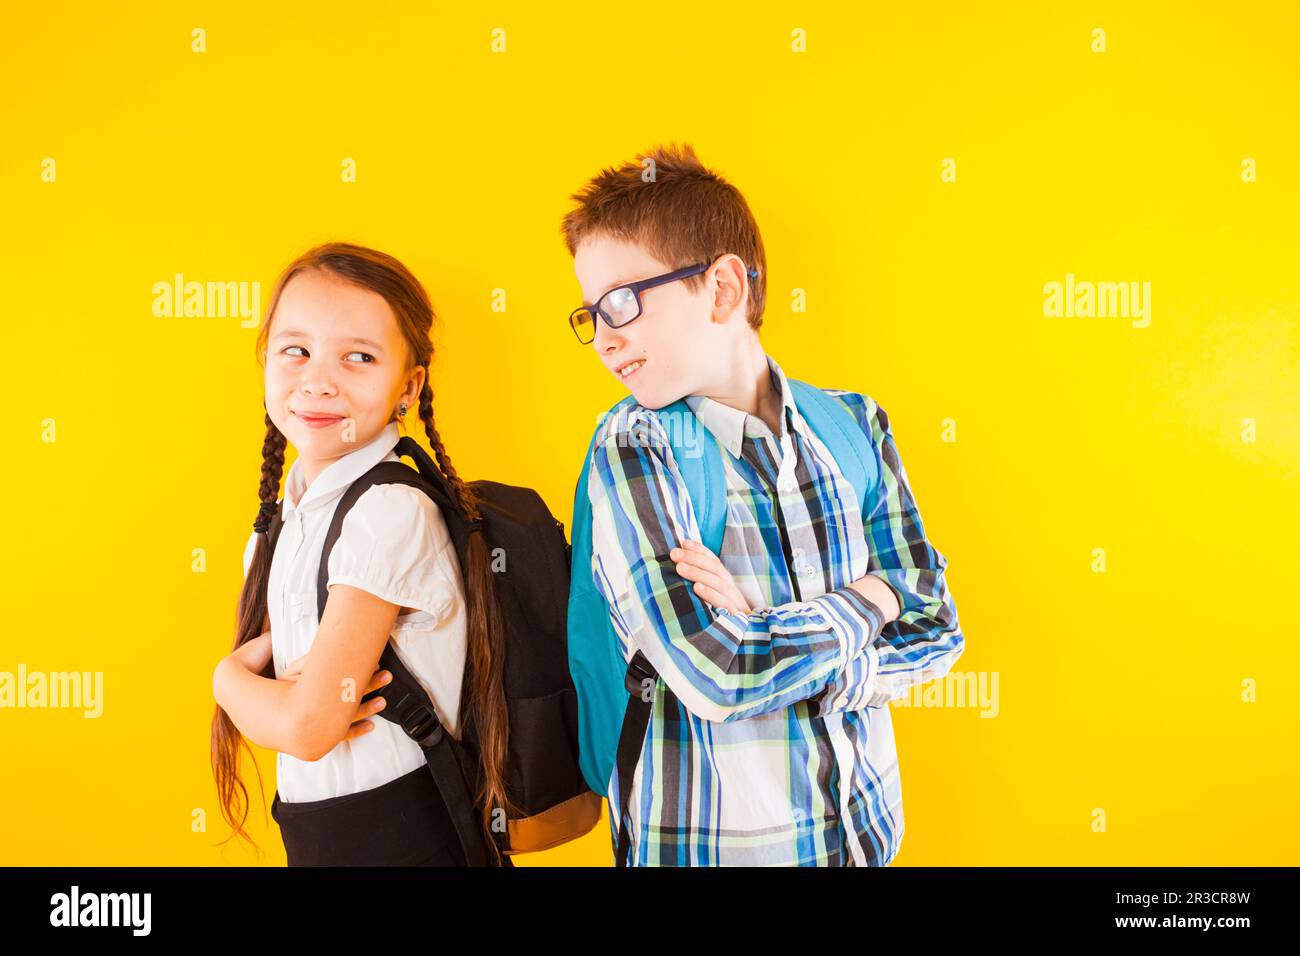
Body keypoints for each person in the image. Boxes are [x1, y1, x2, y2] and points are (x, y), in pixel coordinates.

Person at [563, 144, 965, 865]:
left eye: (621, 301)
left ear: (721, 288)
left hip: (864, 835)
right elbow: (717, 675)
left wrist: (764, 628)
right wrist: (870, 598)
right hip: (707, 847)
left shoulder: (855, 424)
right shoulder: (635, 444)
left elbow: (937, 627)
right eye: (591, 314)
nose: (605, 337)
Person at [210, 242, 513, 865]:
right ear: (264, 357)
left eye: (359, 357)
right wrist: (284, 702)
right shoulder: (281, 524)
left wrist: (225, 681)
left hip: (404, 837)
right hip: (325, 834)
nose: (319, 379)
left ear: (409, 386)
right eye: (296, 350)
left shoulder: (387, 512)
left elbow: (306, 728)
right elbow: (294, 708)